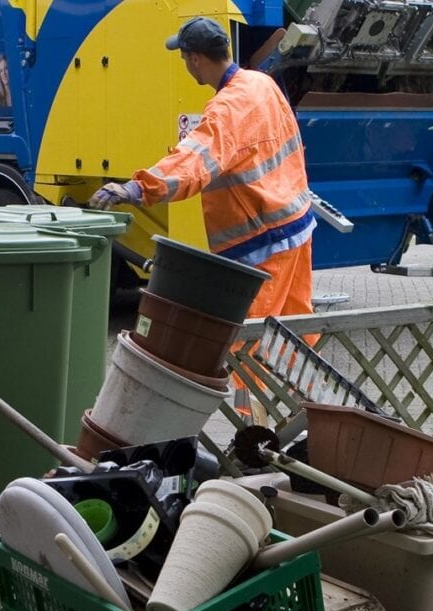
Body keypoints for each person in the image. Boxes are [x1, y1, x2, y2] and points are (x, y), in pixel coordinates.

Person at [89, 16, 316, 417]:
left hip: (262, 246)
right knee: (295, 330)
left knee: (249, 347)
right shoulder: (260, 83)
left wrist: (136, 188)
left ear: (194, 60)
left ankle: (254, 435)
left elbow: (193, 162)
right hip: (296, 227)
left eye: (184, 58)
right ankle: (308, 411)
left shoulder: (226, 110)